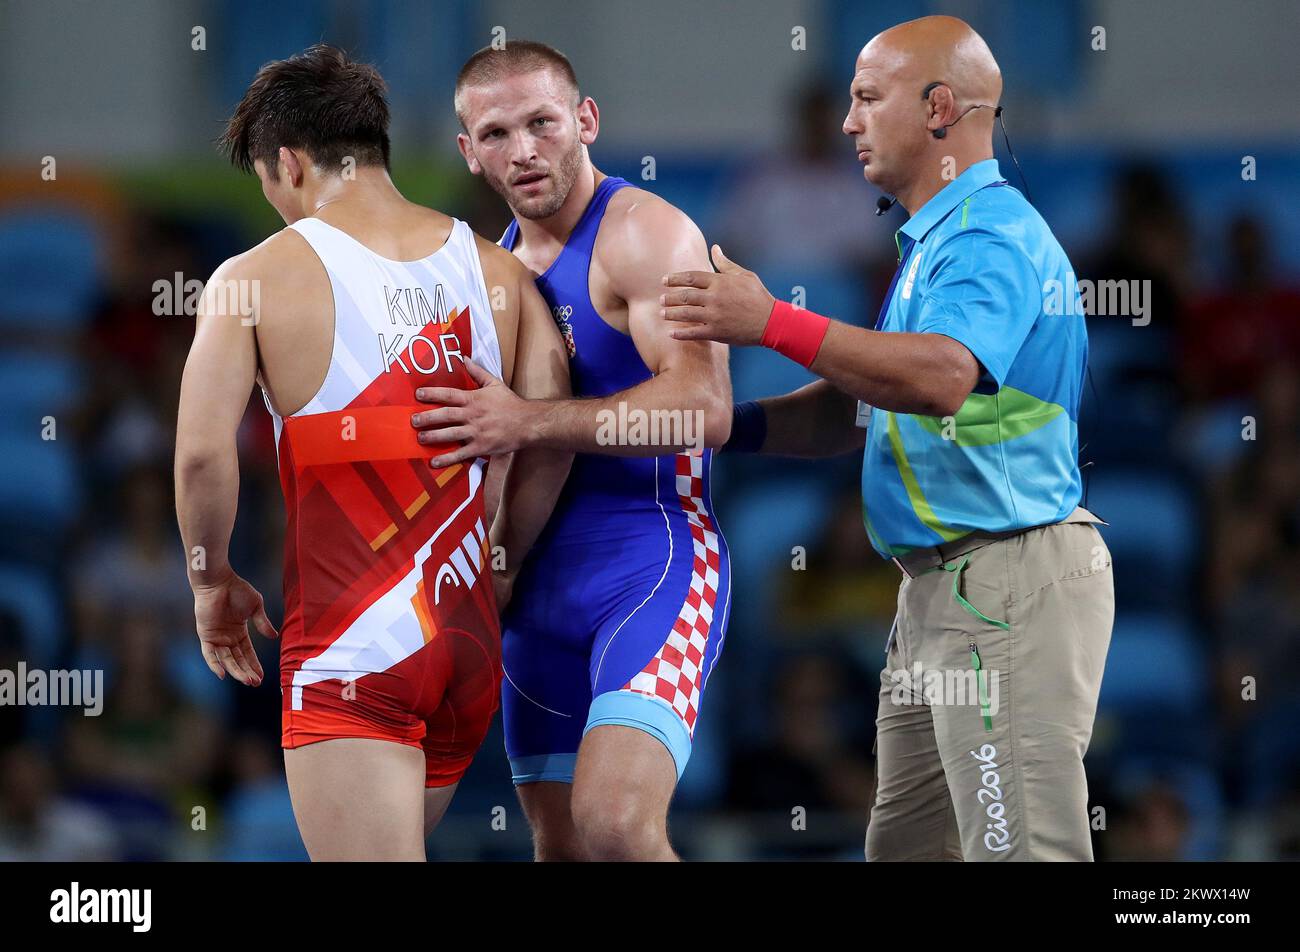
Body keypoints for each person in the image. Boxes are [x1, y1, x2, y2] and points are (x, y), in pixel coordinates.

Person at [659, 16, 1114, 861]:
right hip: (939, 592)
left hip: (1001, 583)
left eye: (868, 97)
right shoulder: (935, 245)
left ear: (940, 107)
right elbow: (854, 407)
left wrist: (772, 322)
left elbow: (941, 376)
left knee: (1022, 852)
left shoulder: (989, 236)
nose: (848, 121)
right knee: (906, 853)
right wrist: (714, 429)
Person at [174, 44, 570, 860]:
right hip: (465, 642)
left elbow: (201, 459)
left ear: (287, 163)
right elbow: (545, 443)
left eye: (268, 187)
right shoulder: (500, 273)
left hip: (355, 644)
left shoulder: (253, 277)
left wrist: (210, 579)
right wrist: (497, 564)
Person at [412, 41, 732, 861]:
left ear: (585, 121)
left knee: (617, 824)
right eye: (494, 134)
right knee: (560, 845)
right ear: (467, 152)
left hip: (652, 560)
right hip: (533, 586)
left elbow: (703, 408)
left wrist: (530, 421)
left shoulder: (647, 233)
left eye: (541, 124)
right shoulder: (489, 272)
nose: (521, 152)